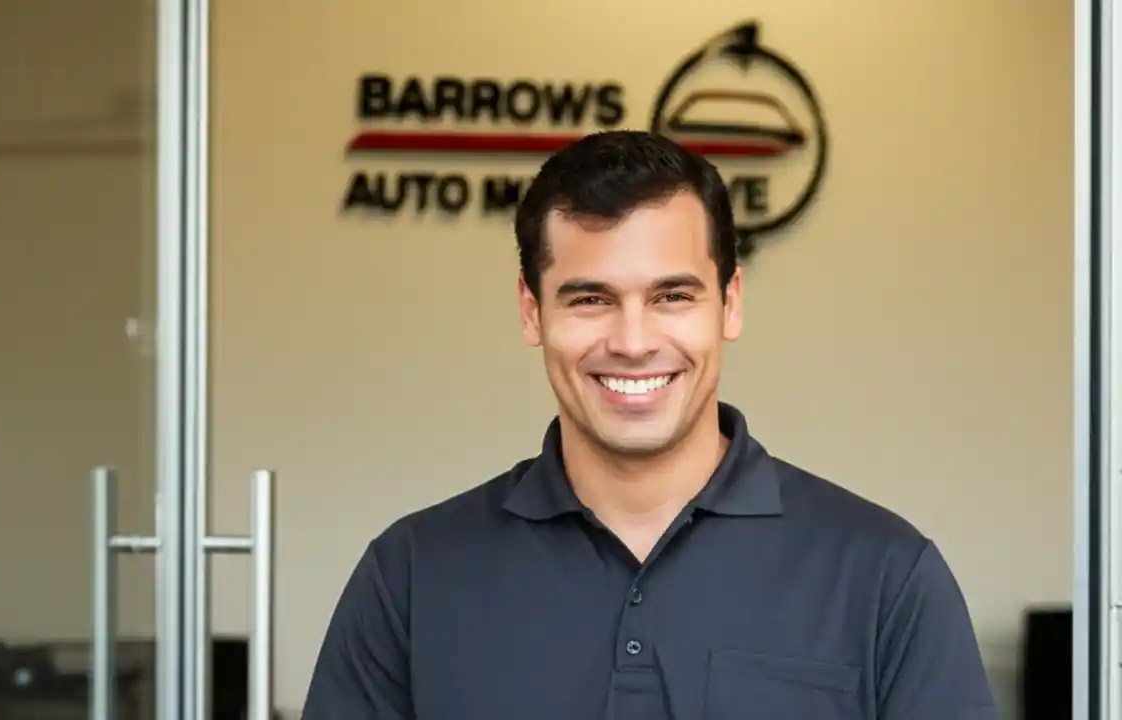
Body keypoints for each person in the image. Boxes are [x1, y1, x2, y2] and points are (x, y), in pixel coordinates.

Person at [300, 130, 997, 719]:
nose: (633, 341)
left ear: (729, 305)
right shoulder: (413, 575)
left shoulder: (884, 575)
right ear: (531, 312)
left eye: (672, 296)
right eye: (591, 299)